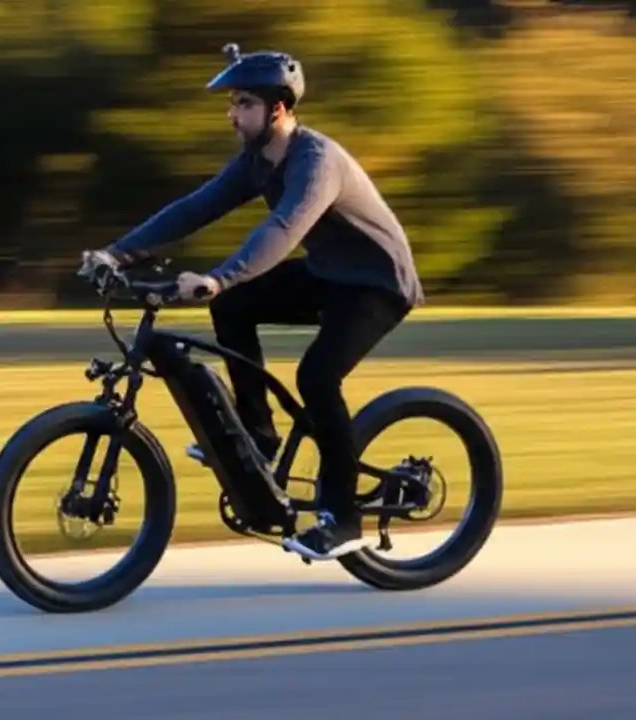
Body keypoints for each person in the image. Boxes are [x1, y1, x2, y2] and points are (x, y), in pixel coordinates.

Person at [78, 42, 424, 560]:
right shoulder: (256, 162)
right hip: (330, 275)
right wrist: (117, 253)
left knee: (316, 377)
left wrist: (219, 278)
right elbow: (195, 208)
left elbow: (283, 229)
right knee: (233, 306)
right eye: (232, 103)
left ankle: (343, 518)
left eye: (243, 104)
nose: (232, 114)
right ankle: (258, 439)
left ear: (277, 109)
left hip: (378, 284)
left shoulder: (316, 161)